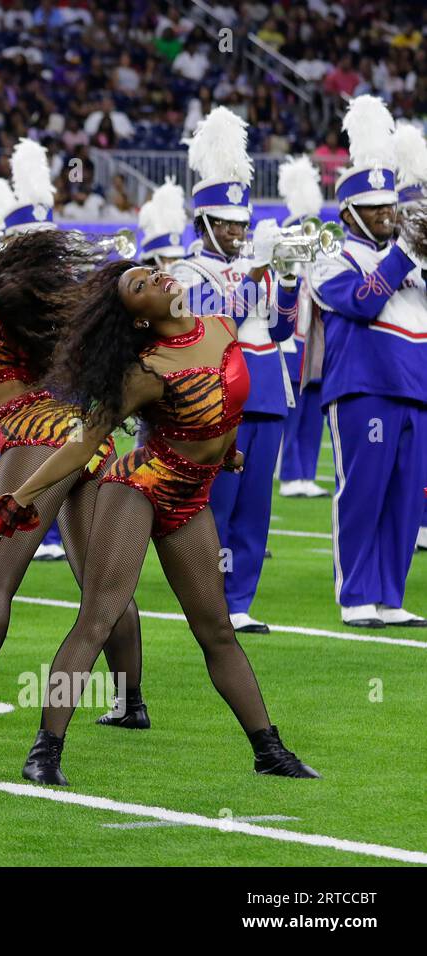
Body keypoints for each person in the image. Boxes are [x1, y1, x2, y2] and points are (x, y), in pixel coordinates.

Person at [0, 259, 319, 786]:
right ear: (138, 319)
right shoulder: (145, 372)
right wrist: (21, 496)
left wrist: (227, 450)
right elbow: (82, 446)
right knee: (97, 619)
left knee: (217, 629)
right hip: (137, 489)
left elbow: (227, 401)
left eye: (152, 271)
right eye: (139, 285)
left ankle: (269, 751)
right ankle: (45, 750)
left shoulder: (221, 327)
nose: (158, 276)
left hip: (193, 493)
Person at [0, 229, 145, 737]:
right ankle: (131, 703)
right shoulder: (51, 319)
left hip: (34, 436)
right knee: (102, 587)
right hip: (83, 436)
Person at [171, 107, 294, 636]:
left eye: (241, 224)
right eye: (226, 224)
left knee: (255, 508)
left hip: (267, 390)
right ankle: (209, 597)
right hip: (218, 399)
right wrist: (256, 272)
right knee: (215, 505)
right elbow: (219, 327)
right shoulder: (185, 271)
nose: (237, 232)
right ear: (204, 225)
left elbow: (283, 329)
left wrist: (284, 280)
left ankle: (240, 600)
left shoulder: (252, 268)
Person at [309, 96, 427, 628]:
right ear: (350, 212)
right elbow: (362, 300)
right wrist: (405, 251)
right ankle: (357, 594)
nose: (389, 216)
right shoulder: (331, 258)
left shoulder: (413, 257)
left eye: (392, 207)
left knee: (406, 497)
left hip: (415, 385)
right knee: (363, 492)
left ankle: (390, 596)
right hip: (363, 388)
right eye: (378, 209)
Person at [274, 157, 331, 500]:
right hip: (292, 344)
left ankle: (304, 473)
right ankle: (289, 471)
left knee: (312, 411)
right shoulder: (283, 263)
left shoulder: (322, 264)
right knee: (292, 412)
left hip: (317, 345)